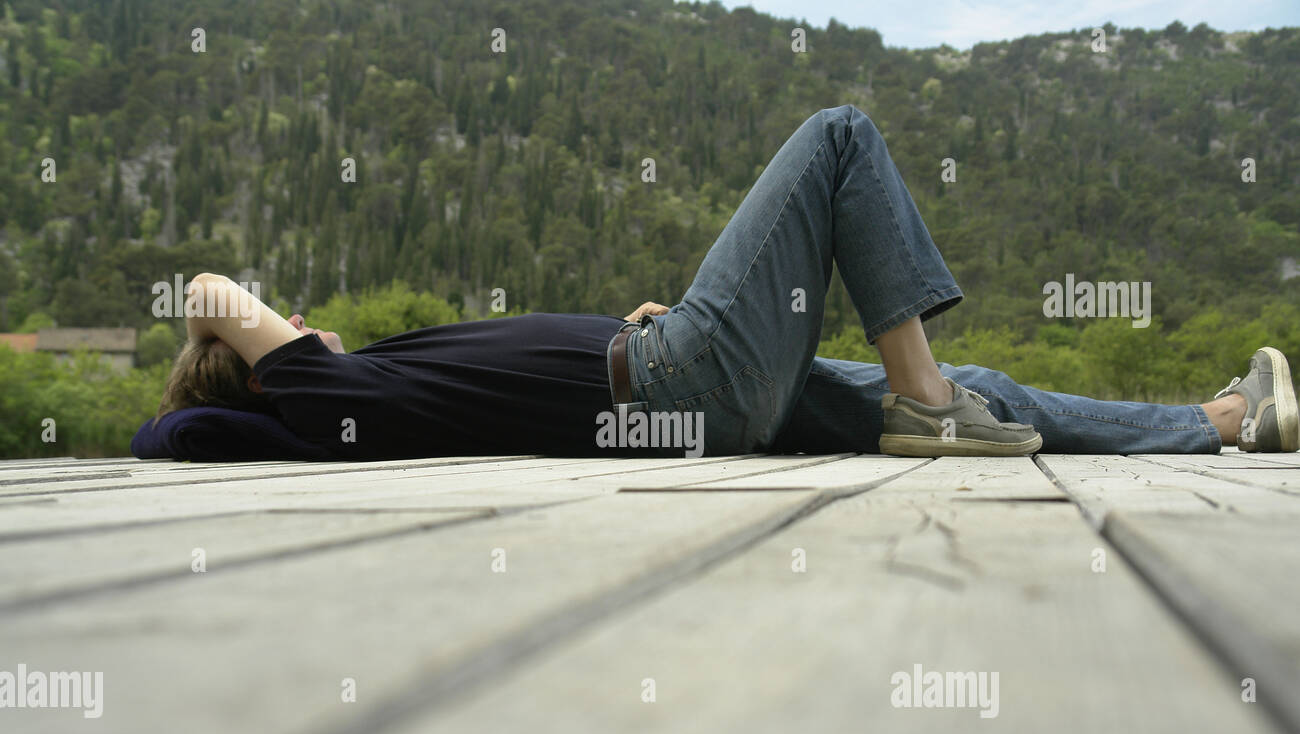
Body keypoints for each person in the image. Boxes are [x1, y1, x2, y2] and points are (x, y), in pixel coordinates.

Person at [156, 105, 1299, 460]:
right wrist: (240, 357)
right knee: (840, 135)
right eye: (278, 327)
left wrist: (625, 324)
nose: (291, 318)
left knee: (993, 380)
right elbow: (211, 292)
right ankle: (923, 404)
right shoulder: (323, 393)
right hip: (676, 381)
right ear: (256, 367)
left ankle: (1220, 422)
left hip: (671, 388)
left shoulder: (368, 385)